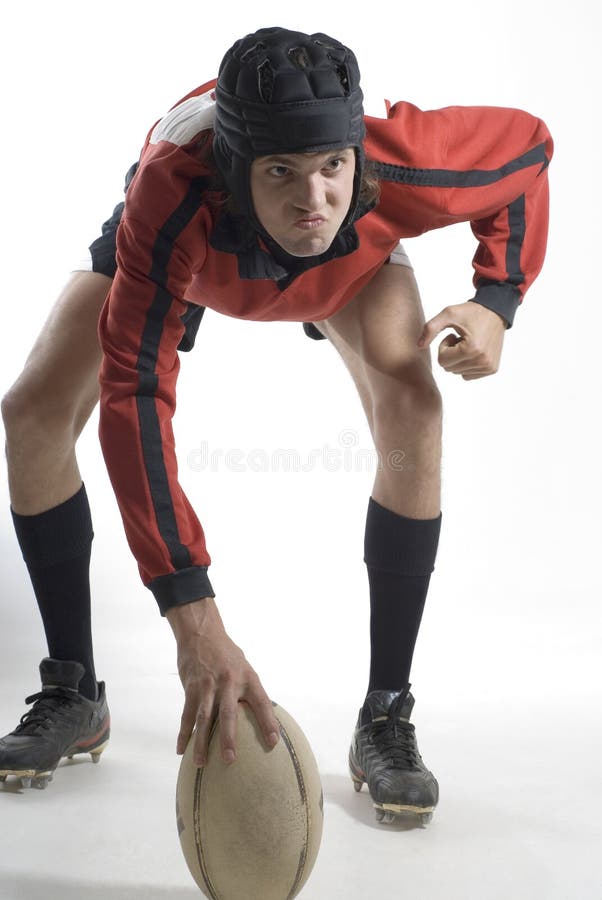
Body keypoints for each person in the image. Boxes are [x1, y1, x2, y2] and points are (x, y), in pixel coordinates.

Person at [0, 27, 552, 824]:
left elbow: (529, 150)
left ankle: (386, 713)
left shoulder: (394, 161)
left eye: (331, 166)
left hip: (346, 270)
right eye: (281, 172)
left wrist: (497, 297)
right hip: (196, 261)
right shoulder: (172, 196)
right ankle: (74, 689)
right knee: (32, 413)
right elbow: (136, 397)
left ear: (356, 156)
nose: (312, 199)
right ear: (236, 170)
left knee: (414, 405)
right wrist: (192, 612)